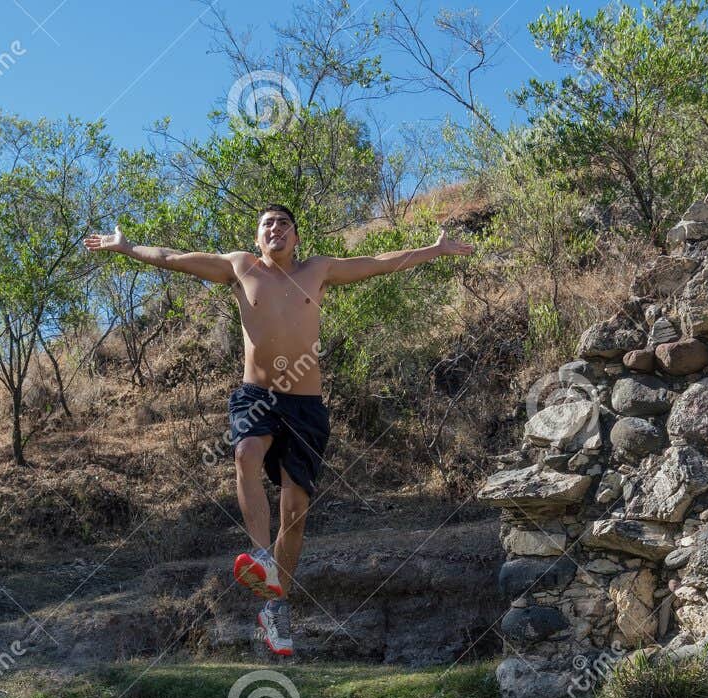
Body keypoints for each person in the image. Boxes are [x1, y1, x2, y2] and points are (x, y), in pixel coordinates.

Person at [84, 204, 475, 656]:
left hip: (306, 405)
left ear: (296, 238)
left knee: (295, 507)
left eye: (284, 224)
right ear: (257, 237)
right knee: (245, 452)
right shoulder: (239, 267)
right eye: (267, 224)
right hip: (258, 396)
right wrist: (128, 248)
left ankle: (276, 605)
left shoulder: (318, 270)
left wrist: (435, 249)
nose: (276, 229)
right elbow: (175, 257)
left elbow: (378, 264)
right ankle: (261, 556)